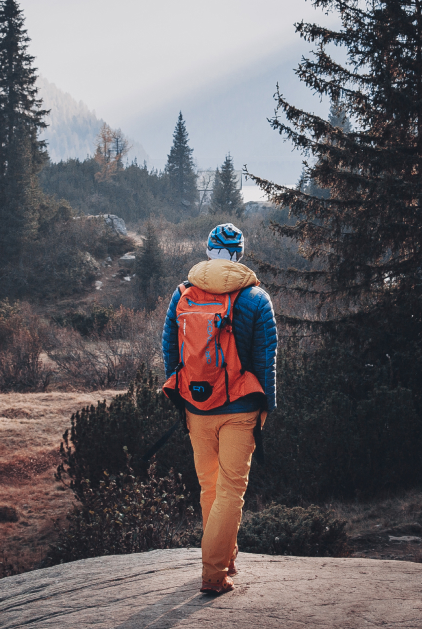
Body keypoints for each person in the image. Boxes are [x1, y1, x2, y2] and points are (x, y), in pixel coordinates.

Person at [160, 222, 278, 594]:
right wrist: (265, 408)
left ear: (208, 250)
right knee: (231, 490)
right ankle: (213, 575)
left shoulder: (182, 295)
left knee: (210, 486)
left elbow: (170, 353)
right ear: (239, 254)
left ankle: (226, 557)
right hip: (240, 408)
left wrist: (184, 400)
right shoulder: (256, 299)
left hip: (197, 407)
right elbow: (265, 360)